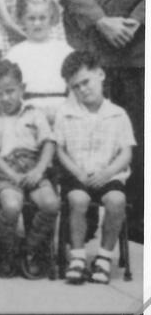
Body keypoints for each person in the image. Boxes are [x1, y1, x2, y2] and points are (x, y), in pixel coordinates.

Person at [54, 0, 144, 235]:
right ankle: (84, 221)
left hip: (135, 44)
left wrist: (134, 21)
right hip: (90, 42)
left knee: (134, 135)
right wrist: (102, 21)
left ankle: (134, 221)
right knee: (83, 134)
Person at [55, 51, 135, 285]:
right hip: (77, 173)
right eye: (75, 86)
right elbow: (60, 149)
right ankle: (78, 257)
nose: (82, 90)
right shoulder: (65, 113)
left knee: (116, 200)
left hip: (107, 174)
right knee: (78, 200)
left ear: (100, 74)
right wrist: (77, 172)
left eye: (86, 82)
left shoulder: (118, 114)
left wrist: (108, 173)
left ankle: (103, 257)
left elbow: (126, 152)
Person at [0, 60, 58, 279]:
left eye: (10, 91)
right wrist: (12, 175)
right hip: (5, 171)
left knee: (51, 204)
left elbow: (49, 143)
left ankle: (30, 249)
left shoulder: (34, 113)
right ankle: (7, 251)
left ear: (22, 89)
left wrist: (39, 170)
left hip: (33, 168)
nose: (5, 98)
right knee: (12, 206)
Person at [3, 0, 74, 114]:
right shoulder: (14, 54)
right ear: (22, 20)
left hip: (62, 110)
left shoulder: (65, 51)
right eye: (31, 18)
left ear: (51, 19)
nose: (37, 23)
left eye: (42, 18)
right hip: (27, 111)